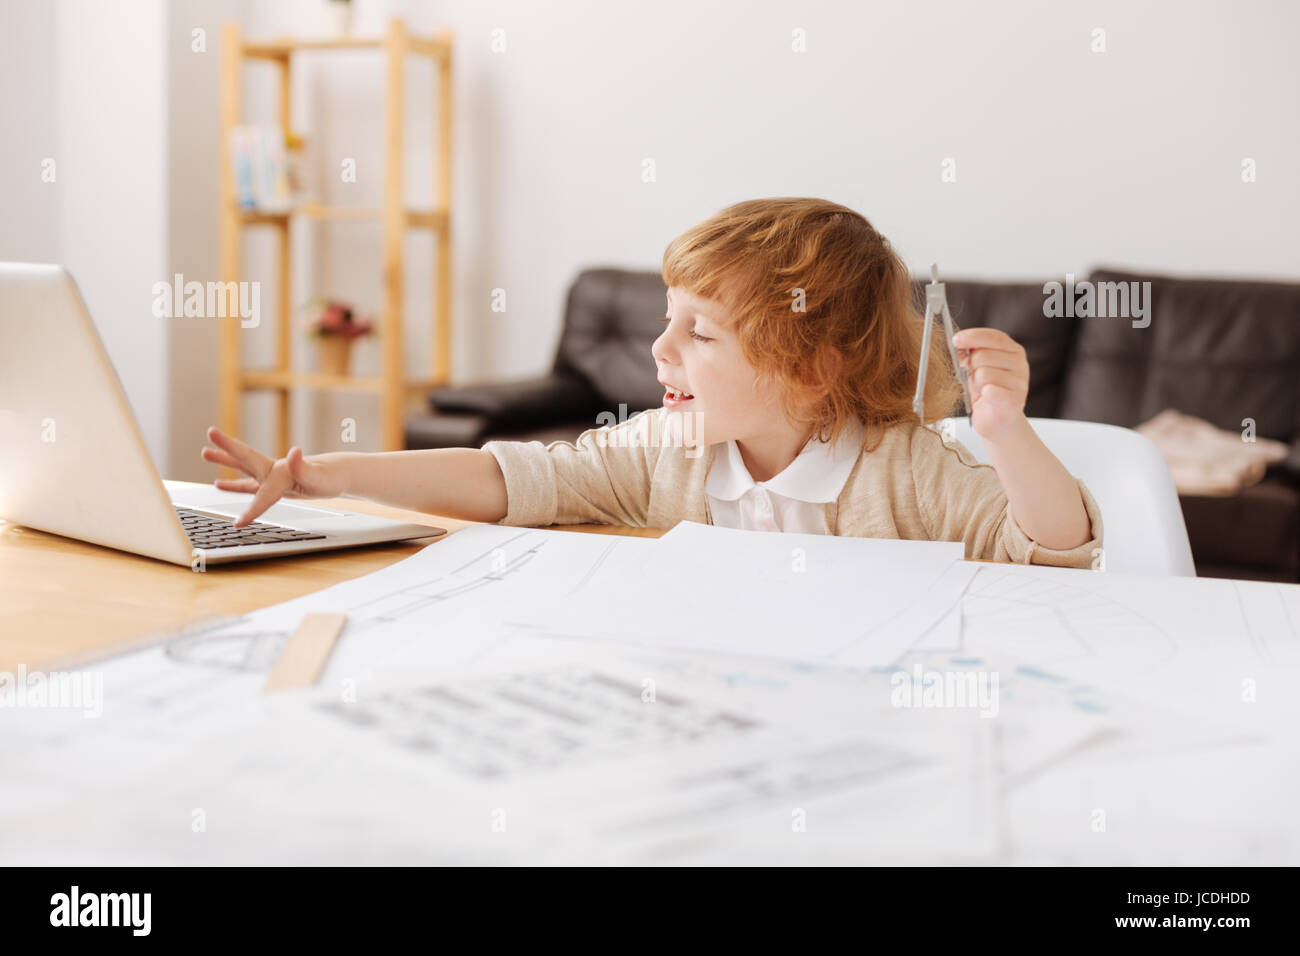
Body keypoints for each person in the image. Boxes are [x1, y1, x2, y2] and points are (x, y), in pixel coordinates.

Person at [203, 197, 1101, 567]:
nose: (658, 349)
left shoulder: (907, 471)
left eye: (699, 331)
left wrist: (1009, 434)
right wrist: (334, 476)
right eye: (668, 319)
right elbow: (518, 478)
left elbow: (1053, 553)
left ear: (814, 366)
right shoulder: (672, 448)